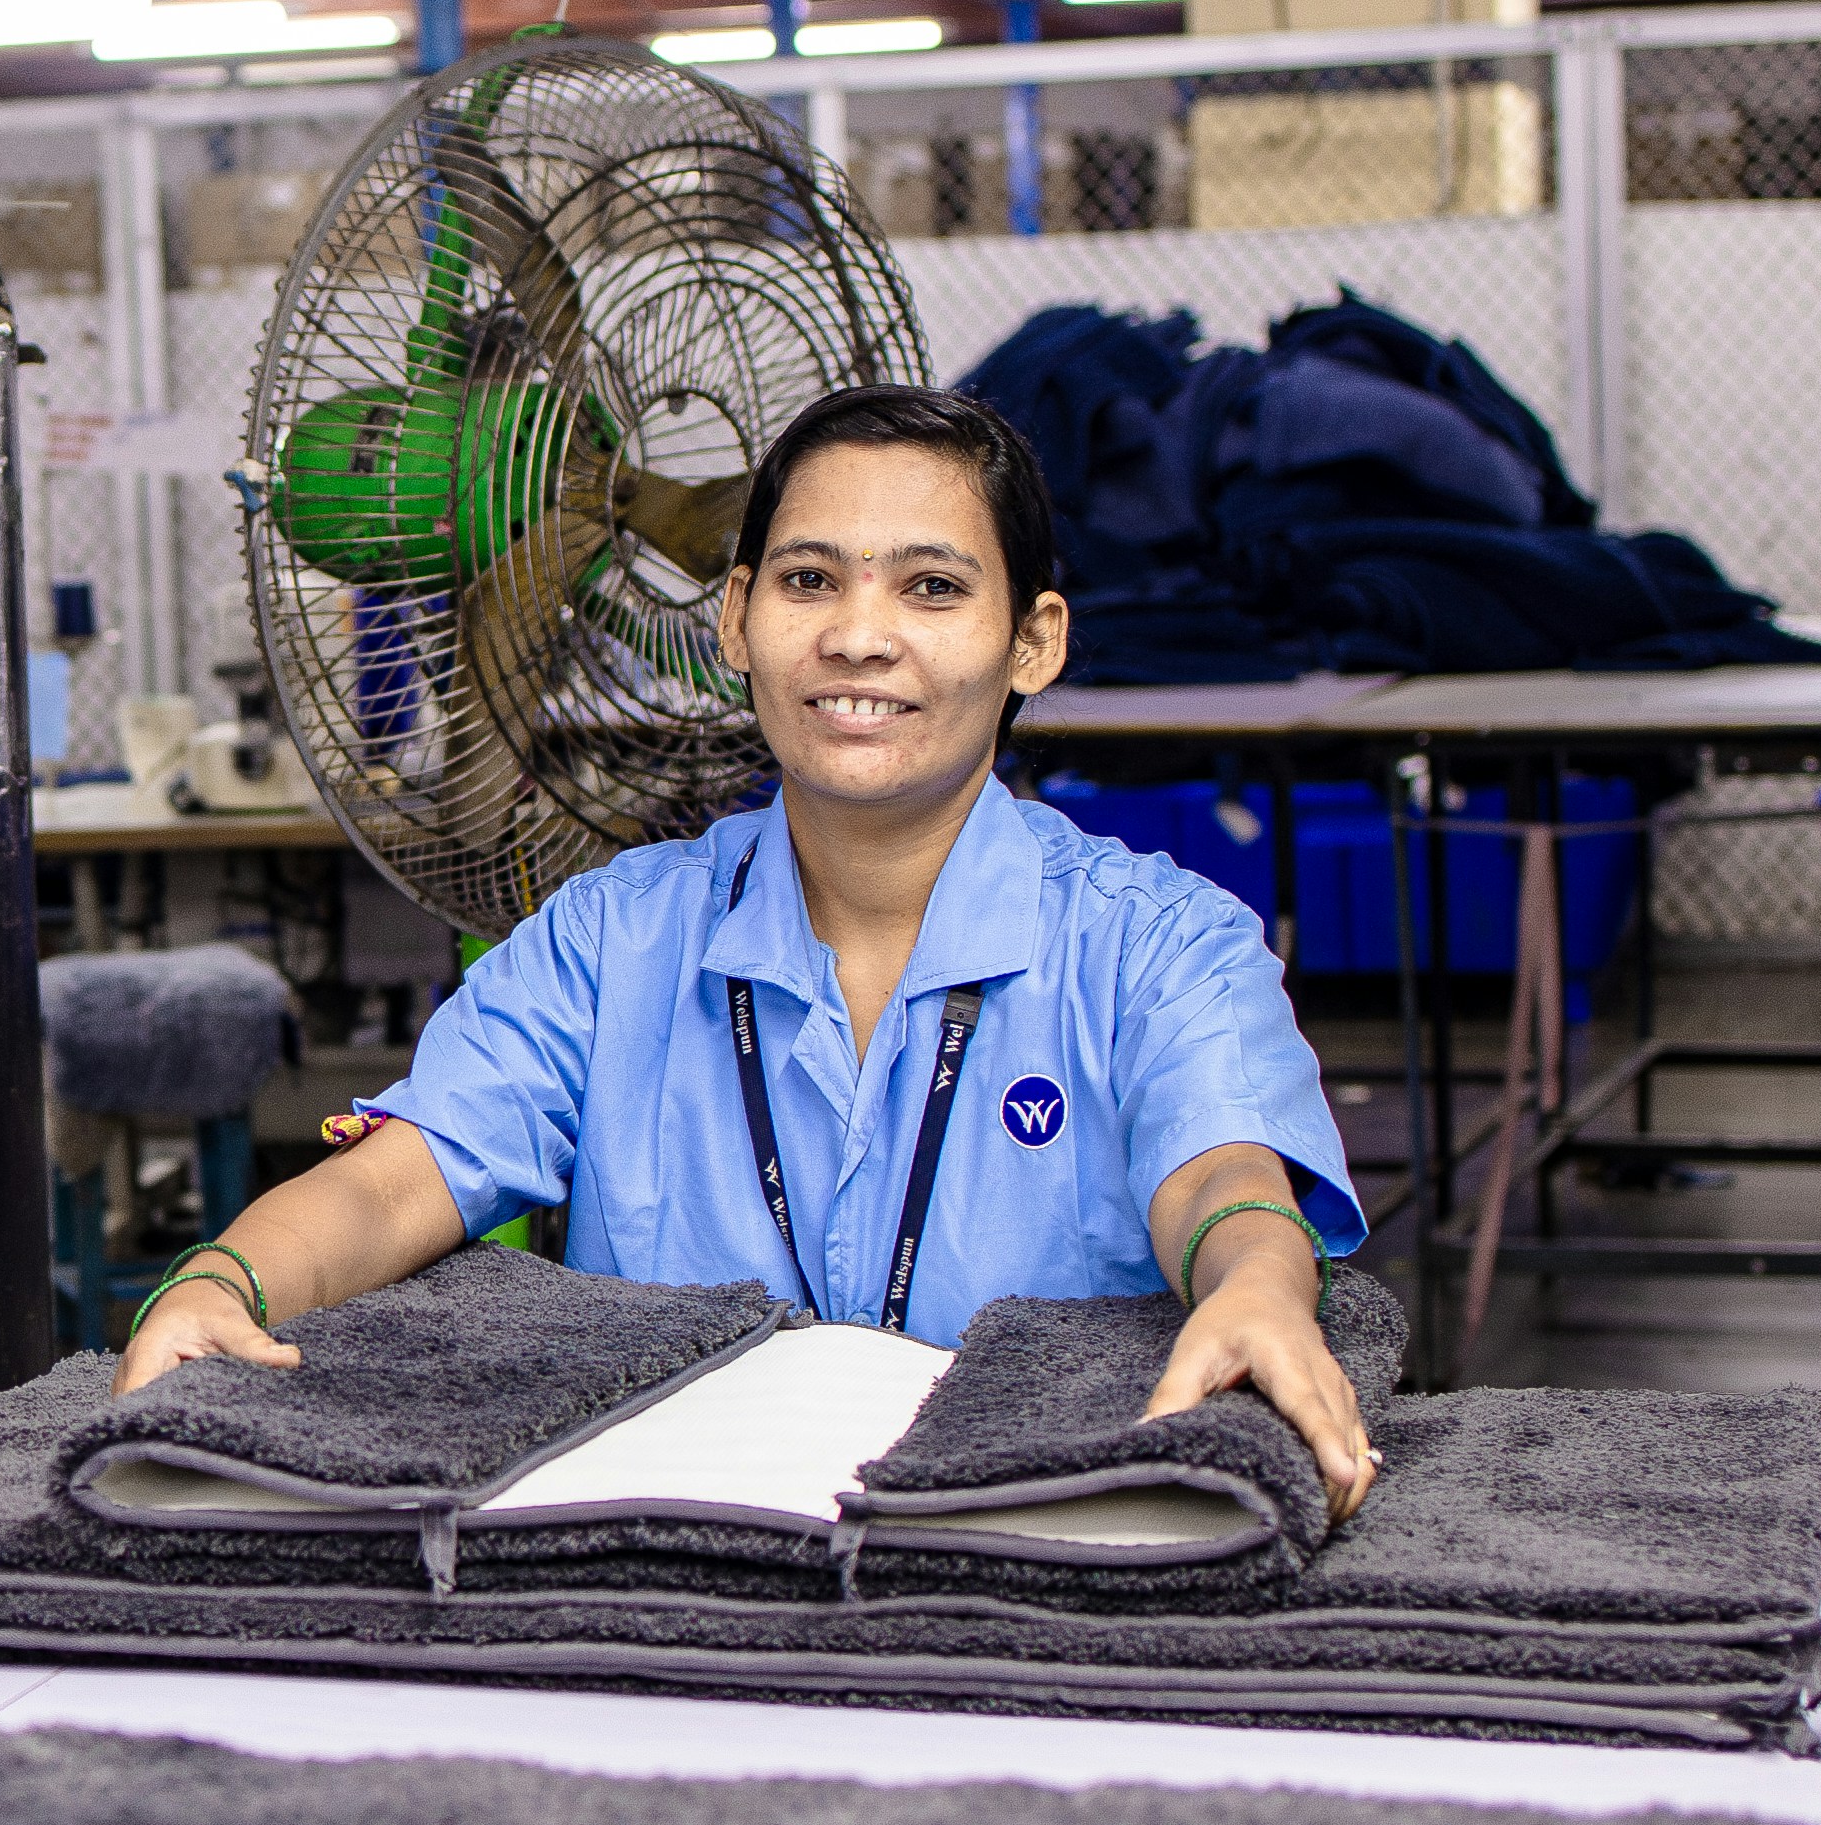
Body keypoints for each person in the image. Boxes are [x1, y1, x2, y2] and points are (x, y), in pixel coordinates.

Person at [113, 380, 1380, 1508]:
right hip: (657, 1557)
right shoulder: (614, 940)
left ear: (1033, 641)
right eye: (808, 579)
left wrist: (1258, 1288)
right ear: (735, 619)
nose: (858, 636)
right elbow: (399, 1177)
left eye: (932, 586)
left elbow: (1221, 1175)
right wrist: (227, 1281)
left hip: (1036, 1540)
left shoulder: (1160, 946)